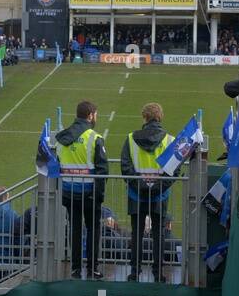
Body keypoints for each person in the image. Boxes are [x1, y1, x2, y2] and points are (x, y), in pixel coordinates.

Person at [120, 103, 175, 282]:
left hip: (137, 193)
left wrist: (141, 185)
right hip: (160, 194)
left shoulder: (130, 138)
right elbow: (174, 170)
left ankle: (135, 272)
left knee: (136, 233)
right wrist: (157, 186)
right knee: (159, 234)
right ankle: (158, 273)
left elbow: (126, 167)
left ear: (144, 117)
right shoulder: (169, 140)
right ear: (160, 117)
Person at [53, 100, 108, 279]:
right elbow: (102, 170)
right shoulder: (94, 137)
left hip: (68, 191)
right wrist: (99, 195)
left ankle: (76, 269)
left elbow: (56, 165)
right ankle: (92, 268)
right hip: (89, 192)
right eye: (96, 114)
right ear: (90, 115)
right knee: (93, 230)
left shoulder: (61, 138)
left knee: (75, 229)